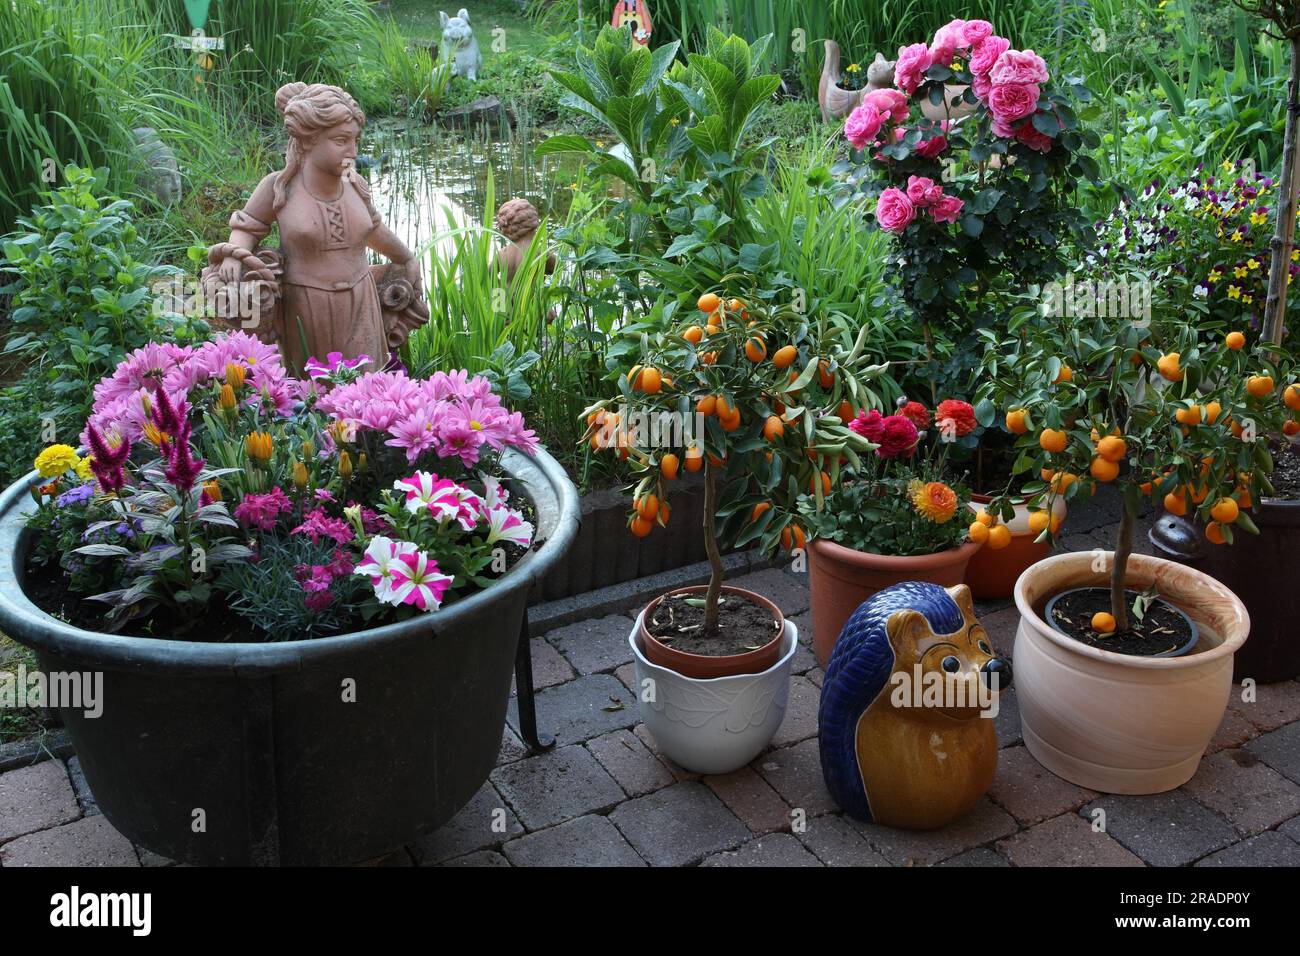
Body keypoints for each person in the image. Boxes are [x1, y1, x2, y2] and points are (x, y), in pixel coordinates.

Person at [216, 82, 421, 372]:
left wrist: (405, 257)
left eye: (355, 140)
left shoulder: (355, 185)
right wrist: (233, 254)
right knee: (313, 391)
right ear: (308, 140)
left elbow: (373, 229)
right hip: (306, 308)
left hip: (361, 304)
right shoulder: (279, 188)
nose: (352, 150)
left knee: (367, 389)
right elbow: (248, 227)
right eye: (340, 141)